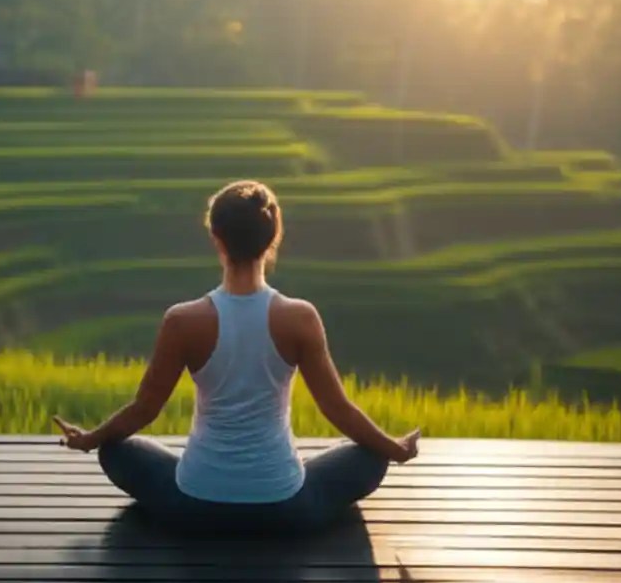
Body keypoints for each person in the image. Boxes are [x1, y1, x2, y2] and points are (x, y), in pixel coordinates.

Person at [53, 179, 420, 534]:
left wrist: (90, 439)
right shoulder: (300, 317)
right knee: (370, 456)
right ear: (274, 238)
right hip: (287, 509)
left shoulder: (182, 320)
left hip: (192, 507)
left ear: (216, 238)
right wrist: (396, 449)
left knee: (115, 451)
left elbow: (144, 409)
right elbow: (338, 409)